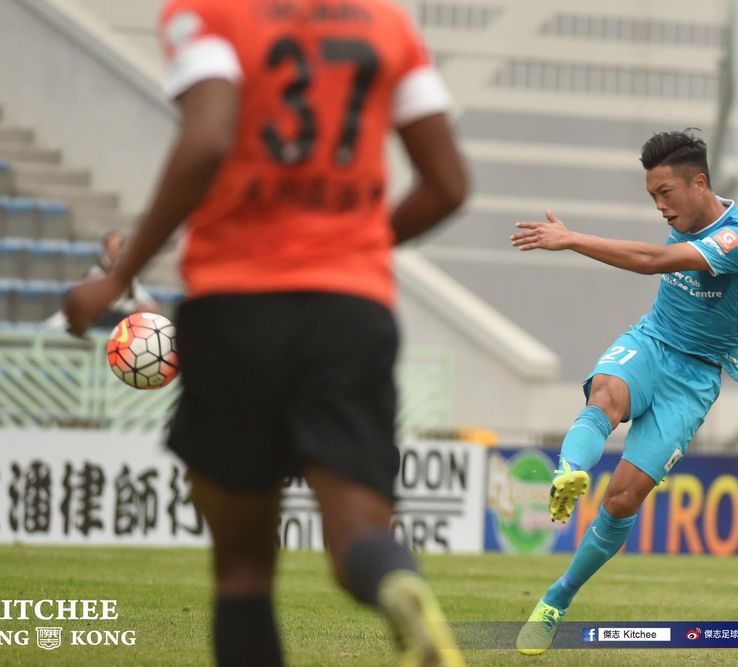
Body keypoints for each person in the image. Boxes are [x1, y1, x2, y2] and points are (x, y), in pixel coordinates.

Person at [63, 1, 468, 665]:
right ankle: (397, 585)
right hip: (349, 307)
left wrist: (119, 274)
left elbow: (208, 139)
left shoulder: (210, 10)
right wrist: (354, 245)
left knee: (243, 571)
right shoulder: (387, 21)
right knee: (361, 531)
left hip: (236, 307)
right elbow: (449, 184)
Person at [509, 130, 738, 655]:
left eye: (665, 193)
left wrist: (573, 239)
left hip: (692, 380)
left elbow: (649, 261)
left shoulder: (737, 241)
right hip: (650, 343)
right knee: (604, 396)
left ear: (699, 183)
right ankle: (567, 473)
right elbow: (650, 255)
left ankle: (556, 599)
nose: (660, 207)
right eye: (652, 196)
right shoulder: (688, 217)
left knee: (622, 498)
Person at [86, 231, 160, 329]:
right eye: (113, 246)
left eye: (119, 246)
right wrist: (134, 308)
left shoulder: (126, 273)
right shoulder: (95, 272)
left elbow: (139, 293)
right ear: (106, 248)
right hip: (107, 318)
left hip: (125, 317)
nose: (116, 250)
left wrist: (149, 305)